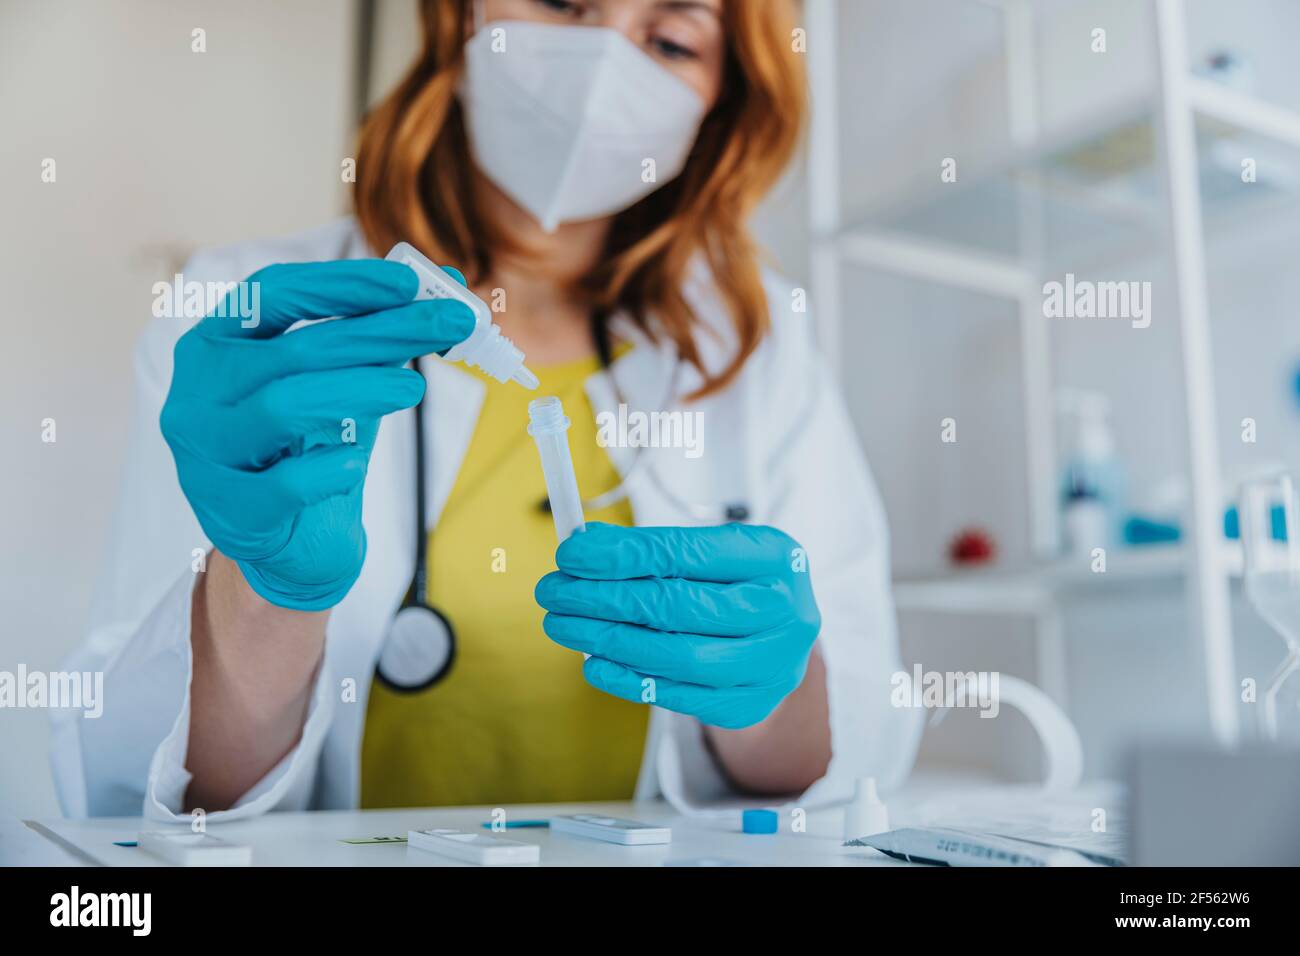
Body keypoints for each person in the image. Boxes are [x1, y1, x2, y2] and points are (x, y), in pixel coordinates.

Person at [51, 0, 920, 820]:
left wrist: (774, 683)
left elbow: (855, 754)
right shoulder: (251, 320)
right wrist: (264, 589)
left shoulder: (757, 346)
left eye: (672, 41)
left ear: (723, 102)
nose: (602, 65)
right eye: (564, 3)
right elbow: (147, 791)